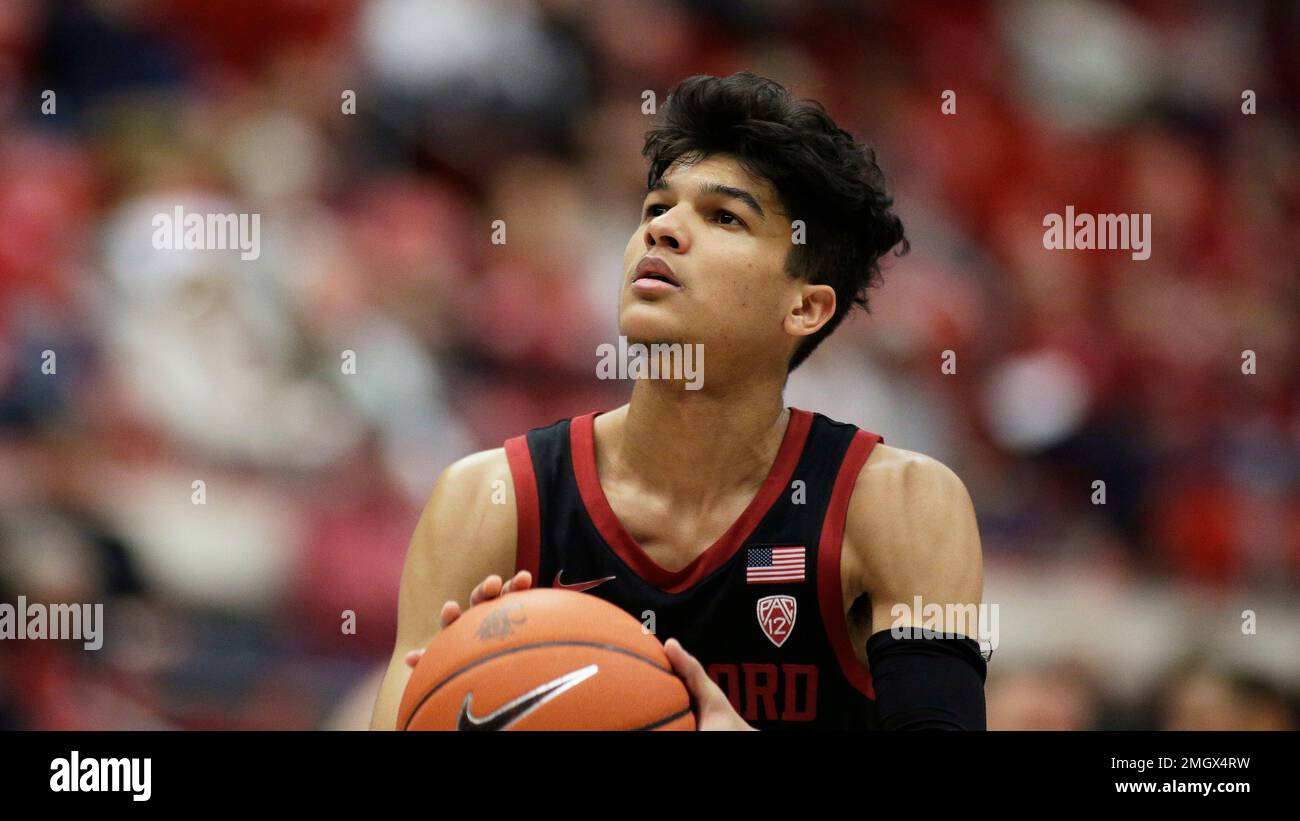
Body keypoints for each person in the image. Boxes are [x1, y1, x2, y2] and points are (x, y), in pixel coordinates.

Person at [370, 72, 987, 730]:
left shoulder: (900, 504)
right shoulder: (487, 501)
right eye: (656, 208)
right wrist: (472, 692)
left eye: (725, 216)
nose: (664, 230)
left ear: (805, 306)